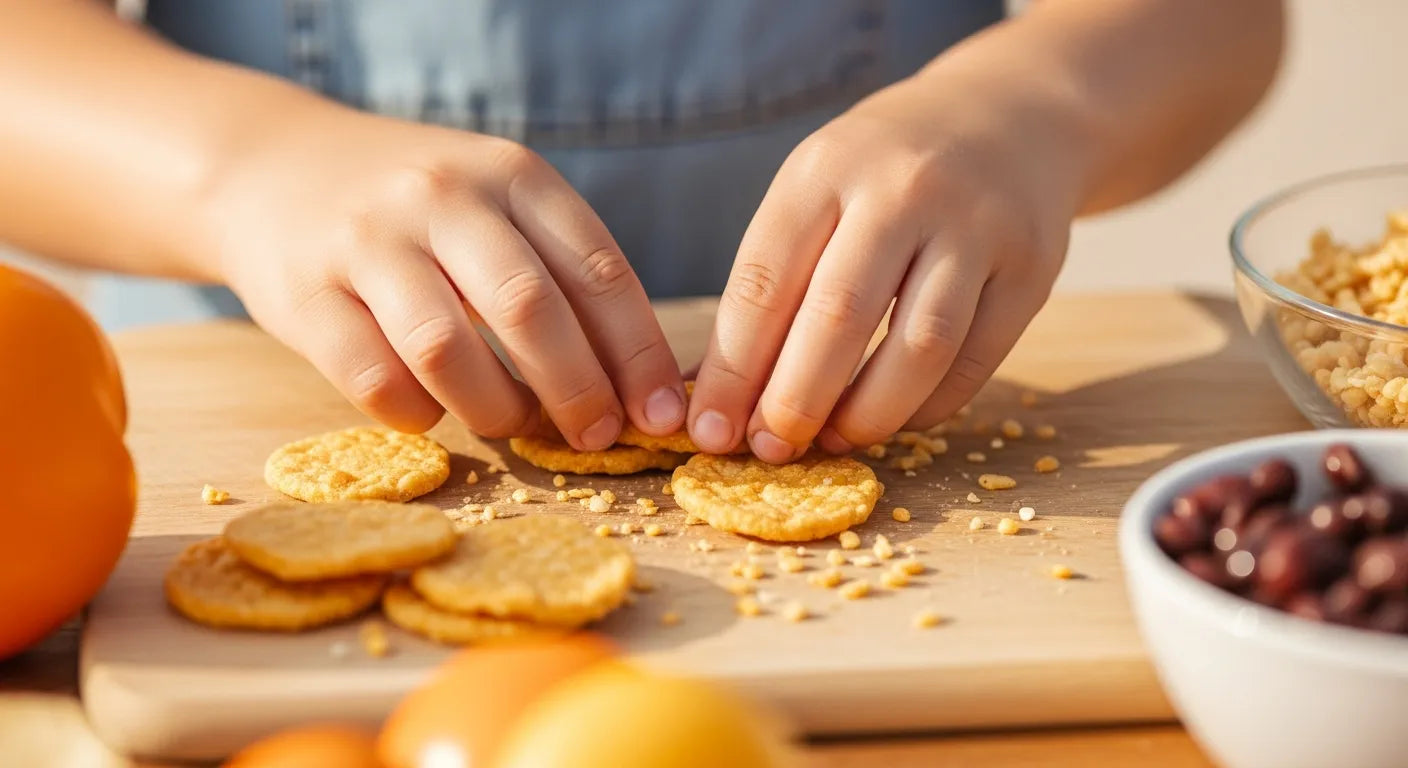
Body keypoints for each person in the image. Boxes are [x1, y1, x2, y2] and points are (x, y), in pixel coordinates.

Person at [0, 0, 1283, 463]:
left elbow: (1220, 22)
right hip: (218, 416)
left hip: (917, 425)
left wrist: (1036, 111)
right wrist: (239, 171)